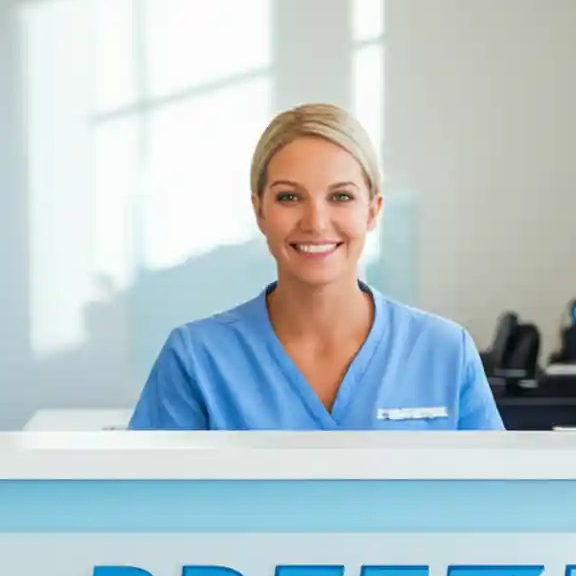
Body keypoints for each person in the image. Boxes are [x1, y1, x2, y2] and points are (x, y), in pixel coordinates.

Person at [129, 104, 504, 430]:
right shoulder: (196, 359)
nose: (316, 222)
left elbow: (493, 502)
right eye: (289, 197)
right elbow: (148, 507)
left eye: (341, 196)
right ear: (260, 211)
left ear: (372, 211)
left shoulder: (444, 352)